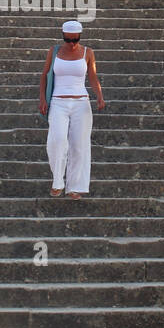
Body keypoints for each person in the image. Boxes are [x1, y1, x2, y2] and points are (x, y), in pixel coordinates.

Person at [37, 19, 106, 199]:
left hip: (81, 103)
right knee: (57, 141)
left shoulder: (88, 52)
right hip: (58, 102)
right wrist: (42, 98)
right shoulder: (54, 52)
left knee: (79, 145)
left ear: (79, 37)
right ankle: (57, 181)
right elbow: (44, 75)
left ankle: (74, 187)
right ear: (63, 37)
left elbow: (92, 76)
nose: (72, 44)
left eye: (75, 40)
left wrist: (99, 95)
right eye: (68, 40)